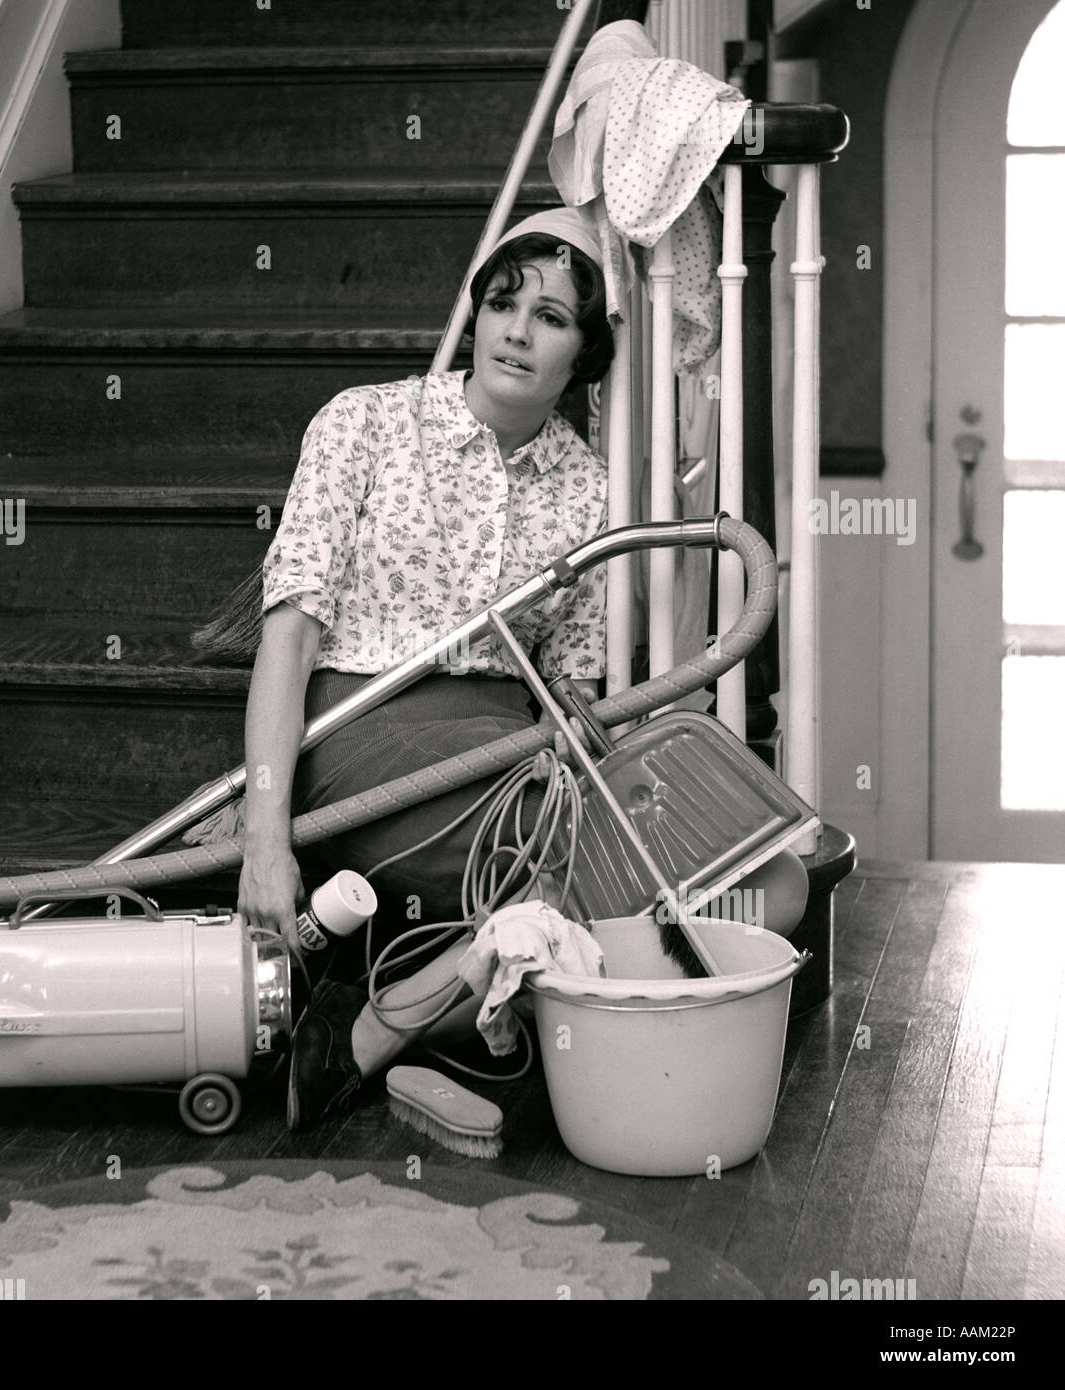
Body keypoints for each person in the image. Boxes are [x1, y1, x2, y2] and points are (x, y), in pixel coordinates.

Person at [226, 207, 807, 1129]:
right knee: (615, 874)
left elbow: (567, 686)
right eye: (502, 304)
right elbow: (288, 640)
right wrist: (265, 839)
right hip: (362, 728)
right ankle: (395, 1026)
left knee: (772, 886)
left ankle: (379, 1025)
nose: (516, 331)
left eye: (550, 316)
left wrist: (597, 736)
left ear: (585, 353)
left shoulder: (589, 488)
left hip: (511, 749)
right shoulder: (364, 422)